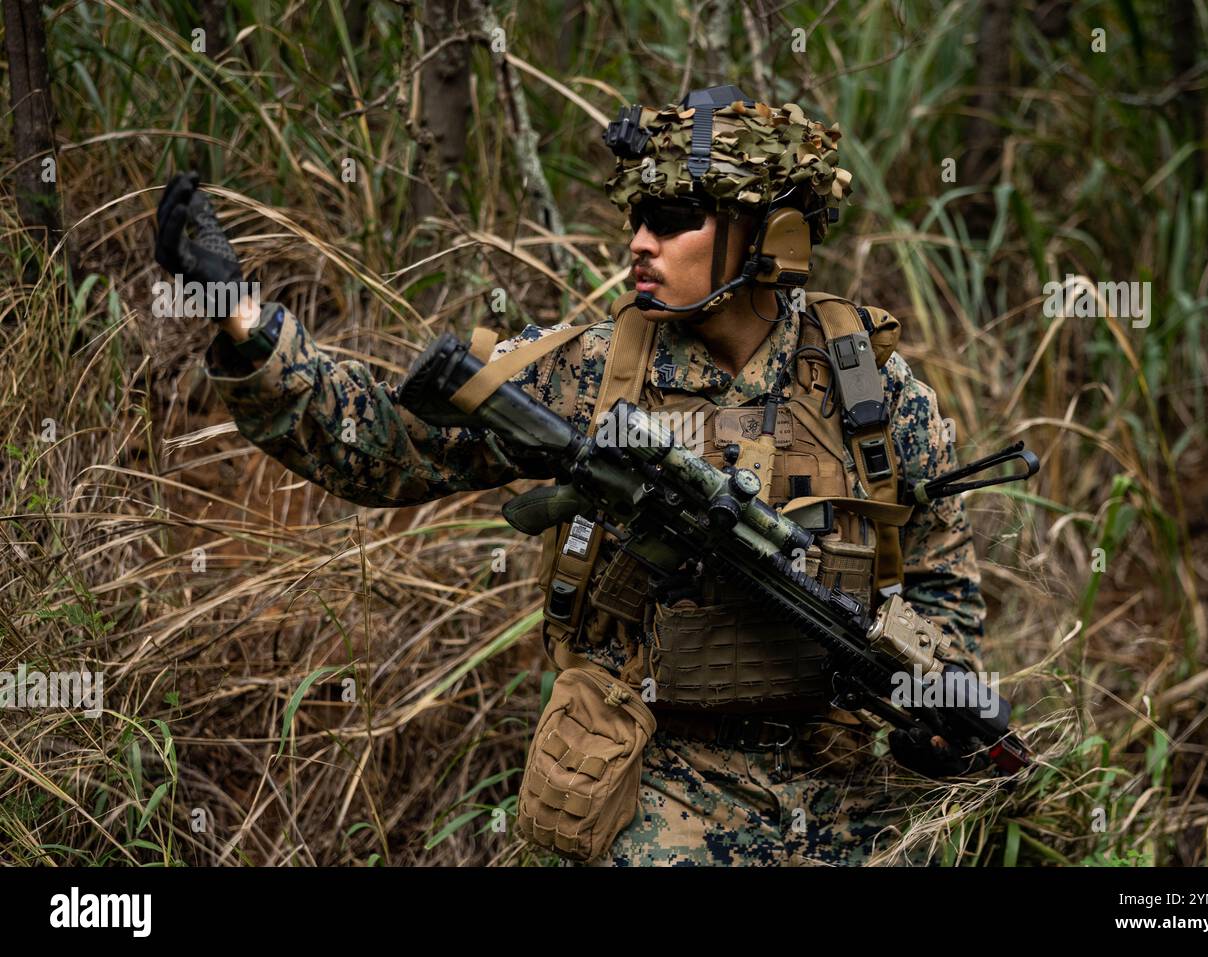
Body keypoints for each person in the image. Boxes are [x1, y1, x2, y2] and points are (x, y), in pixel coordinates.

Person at [156, 84, 990, 866]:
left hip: (845, 796)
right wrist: (242, 318)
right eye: (637, 217)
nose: (639, 241)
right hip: (651, 787)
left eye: (671, 219)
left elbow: (945, 586)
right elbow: (380, 445)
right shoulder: (594, 372)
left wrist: (933, 695)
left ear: (770, 237)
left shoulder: (870, 392)